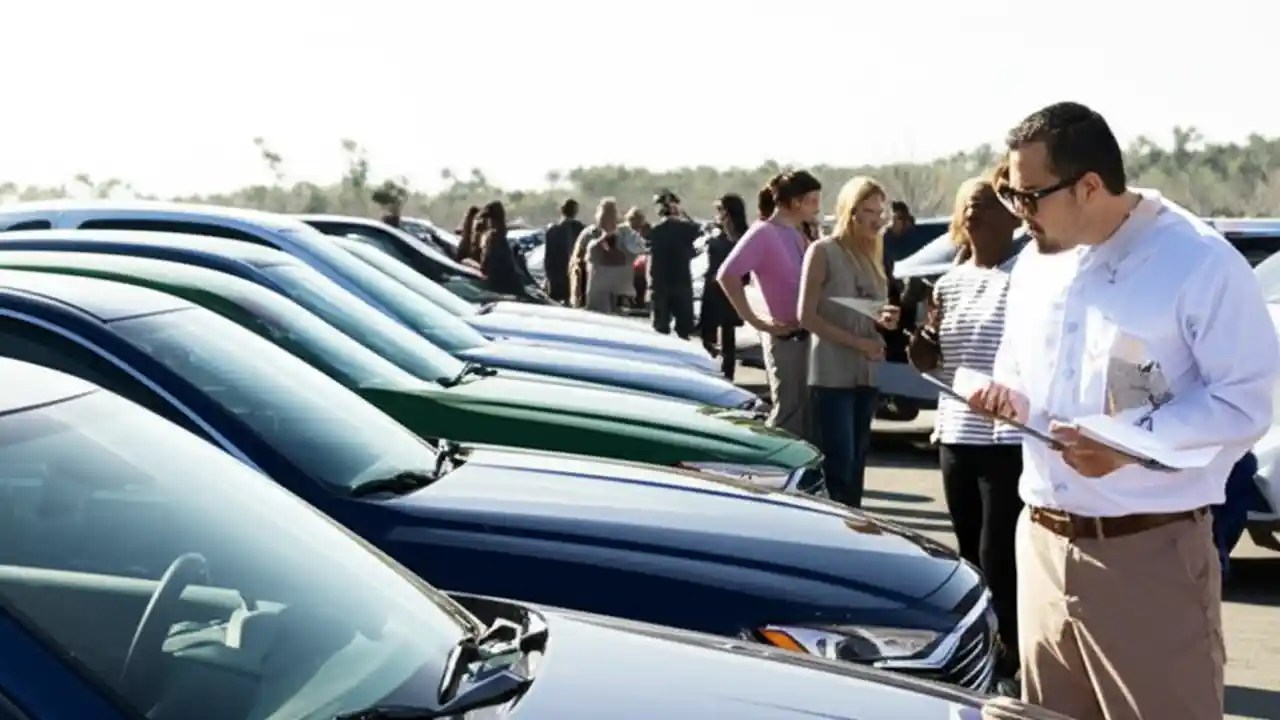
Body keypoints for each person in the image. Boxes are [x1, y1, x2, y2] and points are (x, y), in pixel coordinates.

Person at [969, 101, 1280, 720]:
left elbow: (1247, 399)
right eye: (1010, 194)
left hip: (1147, 552)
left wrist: (1129, 445)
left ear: (1088, 186)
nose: (1017, 213)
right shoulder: (1036, 265)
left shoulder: (1198, 261)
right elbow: (1019, 367)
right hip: (1041, 544)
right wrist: (1007, 397)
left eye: (1028, 196)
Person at [907, 176, 1025, 684]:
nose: (973, 214)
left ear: (1011, 216)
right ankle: (979, 650)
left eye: (984, 205)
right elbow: (932, 361)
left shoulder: (1025, 274)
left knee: (998, 556)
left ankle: (1014, 653)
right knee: (967, 555)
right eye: (967, 207)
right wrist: (915, 339)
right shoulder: (951, 281)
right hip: (955, 433)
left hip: (1004, 440)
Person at [797, 176, 899, 508]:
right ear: (850, 212)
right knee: (837, 466)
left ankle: (853, 529)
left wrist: (884, 321)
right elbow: (806, 316)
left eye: (880, 211)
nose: (876, 219)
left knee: (856, 467)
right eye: (868, 210)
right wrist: (858, 342)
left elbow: (870, 311)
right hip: (831, 373)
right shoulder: (823, 251)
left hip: (866, 373)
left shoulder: (875, 254)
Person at [718, 170, 823, 440]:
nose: (817, 207)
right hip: (786, 337)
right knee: (789, 413)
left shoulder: (798, 234)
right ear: (796, 202)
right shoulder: (764, 233)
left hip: (808, 335)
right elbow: (727, 275)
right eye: (812, 200)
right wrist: (757, 322)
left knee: (810, 414)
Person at [700, 194, 749, 380]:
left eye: (721, 210)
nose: (719, 214)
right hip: (712, 287)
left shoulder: (741, 235)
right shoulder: (715, 232)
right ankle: (712, 368)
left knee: (728, 335)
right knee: (707, 333)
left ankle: (727, 374)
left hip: (729, 287)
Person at [646, 190, 699, 338]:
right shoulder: (689, 229)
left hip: (660, 283)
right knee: (684, 330)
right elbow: (698, 232)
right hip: (682, 282)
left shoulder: (655, 230)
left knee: (660, 329)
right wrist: (683, 214)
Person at [580, 198, 640, 314]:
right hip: (603, 289)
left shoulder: (626, 234)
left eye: (611, 214)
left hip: (616, 289)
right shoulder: (591, 234)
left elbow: (633, 254)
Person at [474, 201, 525, 296]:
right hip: (510, 285)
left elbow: (487, 265)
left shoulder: (493, 237)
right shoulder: (501, 236)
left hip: (502, 287)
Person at [542, 199, 585, 304]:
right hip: (574, 277)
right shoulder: (581, 230)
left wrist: (549, 277)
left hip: (557, 277)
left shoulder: (553, 231)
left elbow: (548, 258)